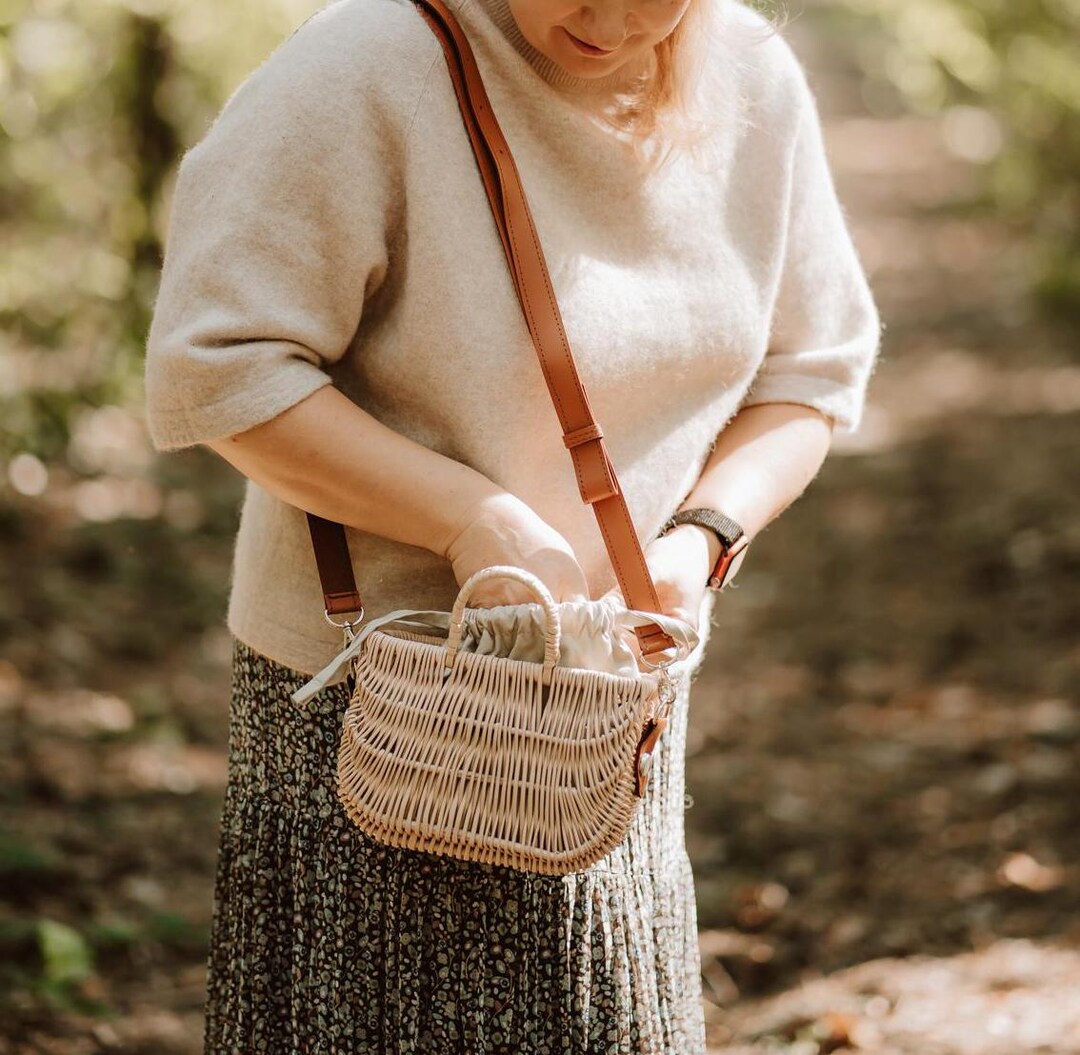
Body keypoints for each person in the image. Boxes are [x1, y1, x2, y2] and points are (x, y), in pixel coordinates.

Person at [143, 0, 883, 1049]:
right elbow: (215, 369)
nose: (613, 16)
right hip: (374, 720)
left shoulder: (751, 78)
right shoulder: (364, 67)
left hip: (607, 717)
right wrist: (467, 517)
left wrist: (701, 538)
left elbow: (811, 374)